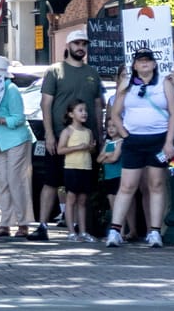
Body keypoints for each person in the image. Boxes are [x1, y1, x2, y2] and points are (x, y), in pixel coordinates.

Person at [104, 48, 174, 248]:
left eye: (148, 61)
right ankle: (115, 230)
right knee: (127, 185)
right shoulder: (127, 85)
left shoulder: (164, 83)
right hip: (134, 141)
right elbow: (115, 112)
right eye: (140, 61)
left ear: (154, 64)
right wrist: (124, 133)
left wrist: (169, 142)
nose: (144, 64)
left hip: (158, 139)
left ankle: (154, 231)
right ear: (135, 65)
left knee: (156, 184)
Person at [39, 29, 102, 241]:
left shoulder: (92, 72)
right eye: (76, 43)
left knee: (82, 189)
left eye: (84, 44)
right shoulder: (55, 71)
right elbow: (45, 103)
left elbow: (97, 105)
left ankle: (80, 229)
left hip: (86, 141)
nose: (80, 47)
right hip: (60, 138)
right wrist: (49, 134)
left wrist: (99, 137)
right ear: (68, 46)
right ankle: (42, 225)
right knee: (52, 182)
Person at [0, 54, 35, 239]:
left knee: (16, 181)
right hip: (1, 140)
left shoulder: (11, 90)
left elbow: (19, 118)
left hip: (17, 139)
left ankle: (23, 223)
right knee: (3, 182)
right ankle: (5, 223)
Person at [56, 100, 97, 242]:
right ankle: (71, 231)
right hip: (72, 168)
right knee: (71, 198)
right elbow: (60, 150)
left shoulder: (88, 131)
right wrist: (77, 147)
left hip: (86, 167)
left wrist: (91, 147)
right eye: (80, 110)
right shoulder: (67, 131)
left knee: (82, 200)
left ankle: (83, 231)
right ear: (71, 114)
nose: (84, 113)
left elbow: (91, 149)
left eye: (85, 110)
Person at [98, 118, 124, 234]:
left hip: (118, 176)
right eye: (109, 126)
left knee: (121, 205)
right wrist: (107, 155)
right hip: (108, 177)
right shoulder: (107, 143)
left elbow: (115, 158)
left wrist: (106, 157)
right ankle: (116, 230)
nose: (111, 128)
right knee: (113, 205)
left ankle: (122, 231)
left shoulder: (120, 142)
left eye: (114, 126)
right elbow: (99, 160)